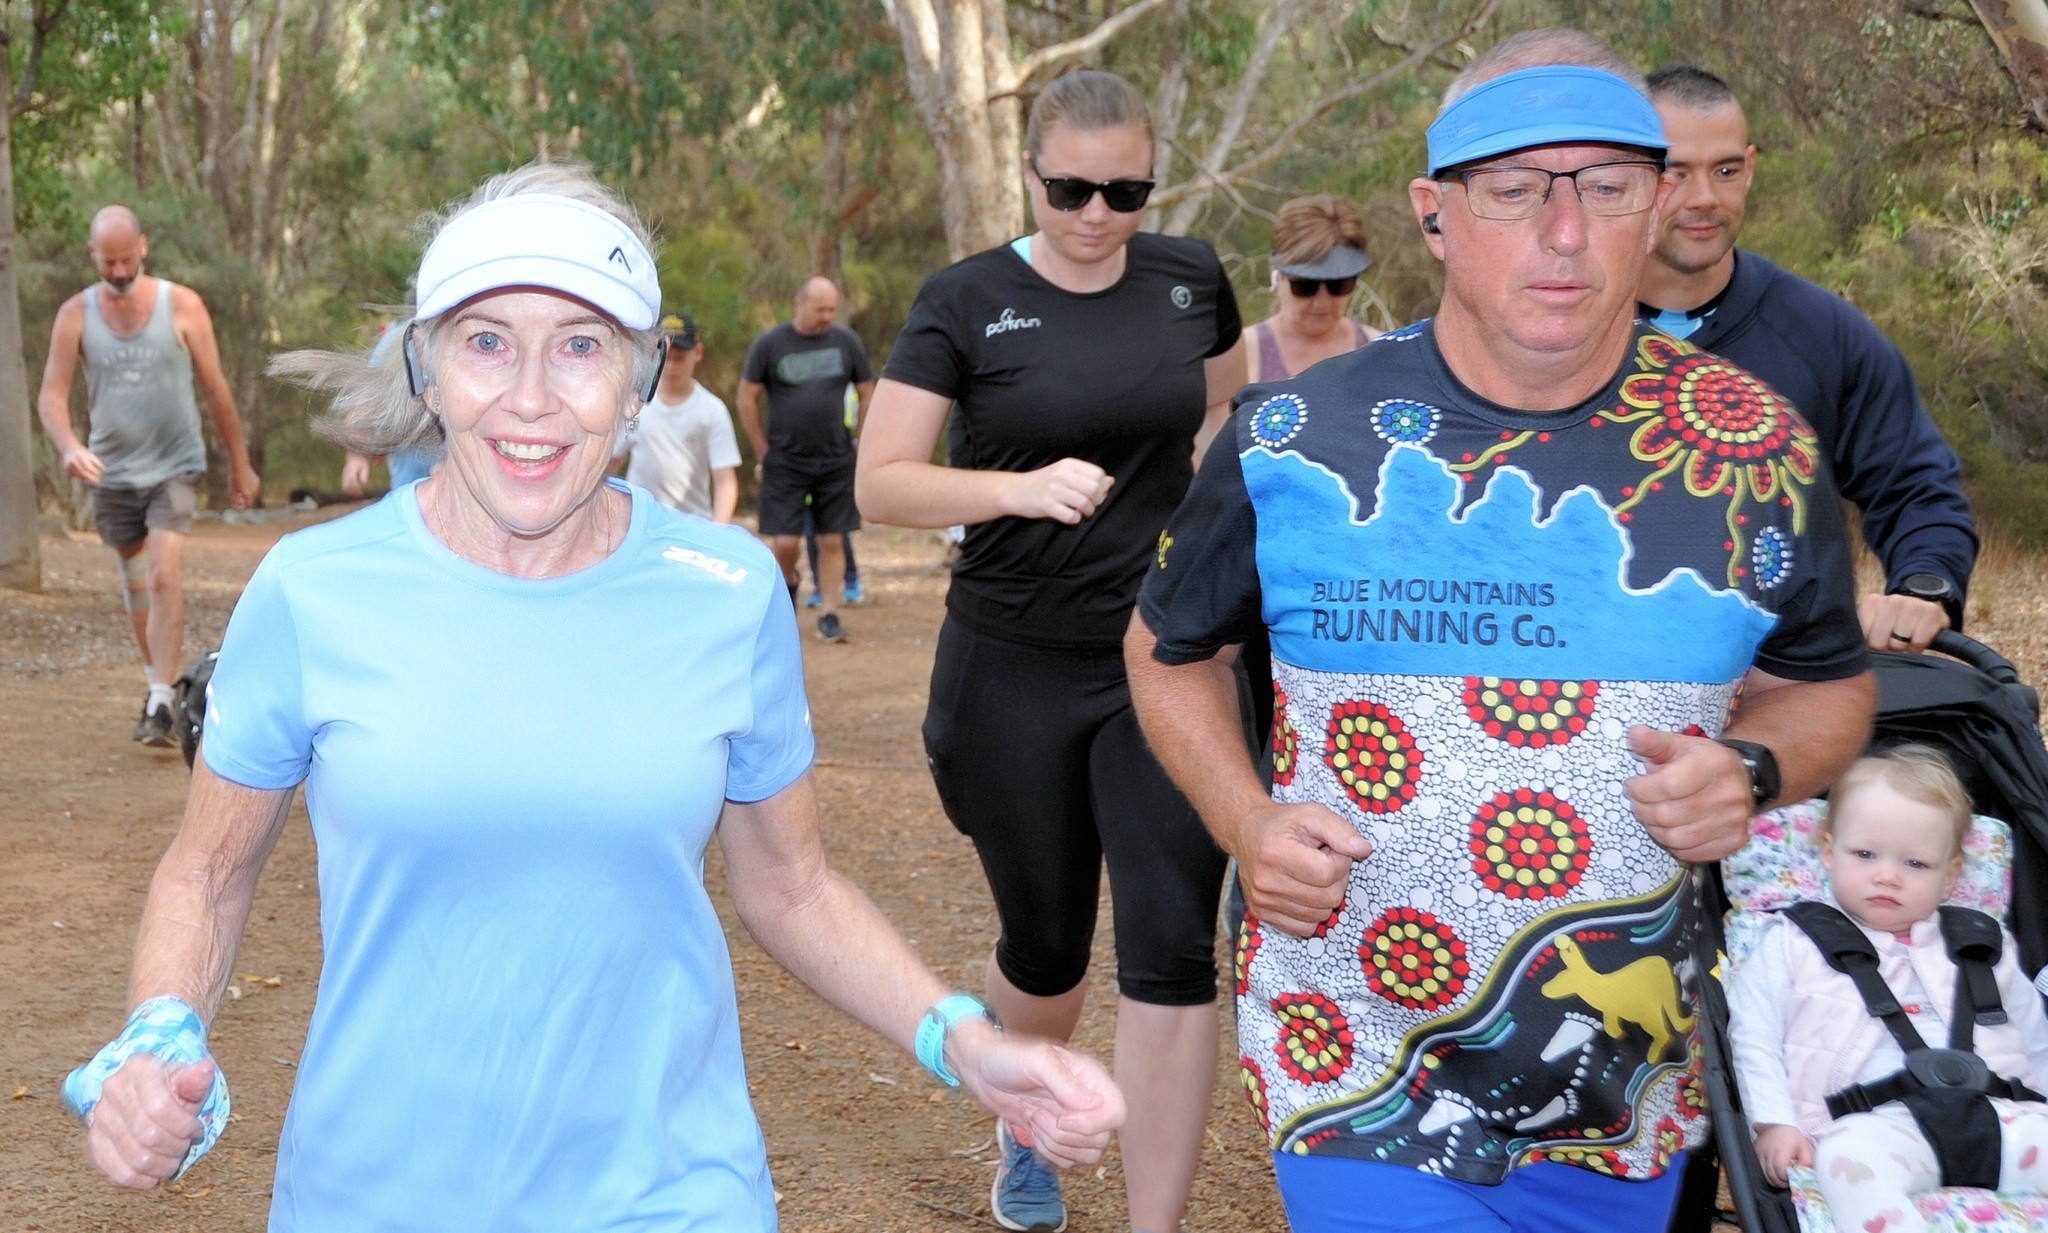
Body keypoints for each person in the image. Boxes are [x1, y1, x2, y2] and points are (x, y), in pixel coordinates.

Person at [62, 163, 1124, 1230]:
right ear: (427, 366)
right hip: (376, 1195)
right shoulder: (312, 589)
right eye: (485, 342)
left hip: (668, 1194)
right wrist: (160, 1036)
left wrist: (966, 1042)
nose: (530, 397)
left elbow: (790, 889)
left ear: (639, 377)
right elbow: (205, 875)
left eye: (580, 344)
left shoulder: (727, 592)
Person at [1126, 30, 1876, 1233]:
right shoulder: (1289, 440)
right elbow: (1170, 650)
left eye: (1608, 187)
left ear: (1659, 204)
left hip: (1631, 1090)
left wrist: (1751, 764)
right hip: (1354, 1065)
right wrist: (1243, 817)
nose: (1565, 234)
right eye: (1516, 189)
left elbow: (1826, 684)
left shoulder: (1756, 450)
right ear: (1433, 215)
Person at [858, 69, 1246, 1233]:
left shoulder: (1189, 280)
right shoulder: (965, 299)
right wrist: (1012, 489)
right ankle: (1028, 1122)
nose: (1094, 214)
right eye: (1070, 188)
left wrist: (1206, 535)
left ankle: (1150, 1224)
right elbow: (882, 481)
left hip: (1158, 656)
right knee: (1046, 941)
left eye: (1124, 190)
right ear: (1029, 174)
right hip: (1010, 661)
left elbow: (1225, 411)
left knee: (1172, 944)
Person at [1638, 65, 1978, 655]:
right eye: (1675, 173)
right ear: (1625, 178)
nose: (1705, 199)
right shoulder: (1563, 326)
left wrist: (1924, 590)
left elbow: (1917, 487)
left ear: (1750, 168)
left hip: (1786, 688)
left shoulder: (1825, 333)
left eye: (1726, 171)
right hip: (1596, 684)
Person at [1726, 746, 2048, 1231]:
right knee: (1845, 1161)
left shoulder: (1984, 945)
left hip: (2003, 1119)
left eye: (1916, 864)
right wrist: (1774, 1121)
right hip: (1875, 1125)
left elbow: (2035, 1035)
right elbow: (1755, 1037)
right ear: (1830, 853)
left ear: (1950, 877)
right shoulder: (1791, 942)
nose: (1888, 875)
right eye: (1865, 854)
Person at [36, 205, 262, 746]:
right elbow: (51, 395)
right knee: (135, 581)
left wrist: (240, 461)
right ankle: (157, 685)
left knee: (163, 575)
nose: (117, 271)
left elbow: (215, 390)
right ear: (94, 255)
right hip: (112, 470)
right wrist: (68, 445)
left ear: (143, 245)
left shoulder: (182, 305)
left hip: (175, 465)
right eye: (106, 261)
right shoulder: (76, 315)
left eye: (125, 258)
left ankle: (163, 699)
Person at [738, 276, 875, 642]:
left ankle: (830, 614)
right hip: (784, 460)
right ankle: (790, 585)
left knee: (832, 540)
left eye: (832, 309)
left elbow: (867, 389)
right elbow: (747, 397)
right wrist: (762, 450)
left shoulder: (846, 342)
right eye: (821, 309)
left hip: (836, 458)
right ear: (799, 304)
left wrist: (862, 439)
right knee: (785, 542)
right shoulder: (770, 344)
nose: (828, 316)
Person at [611, 313, 742, 522]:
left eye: (679, 357)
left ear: (697, 353)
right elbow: (612, 460)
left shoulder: (712, 410)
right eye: (666, 357)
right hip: (640, 521)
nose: (671, 366)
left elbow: (725, 480)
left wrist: (718, 533)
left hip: (693, 524)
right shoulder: (635, 404)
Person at [1245, 194, 1381, 383]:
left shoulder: (1380, 352)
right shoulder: (1243, 355)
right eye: (1305, 285)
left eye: (1338, 285)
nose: (1322, 302)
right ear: (1274, 273)